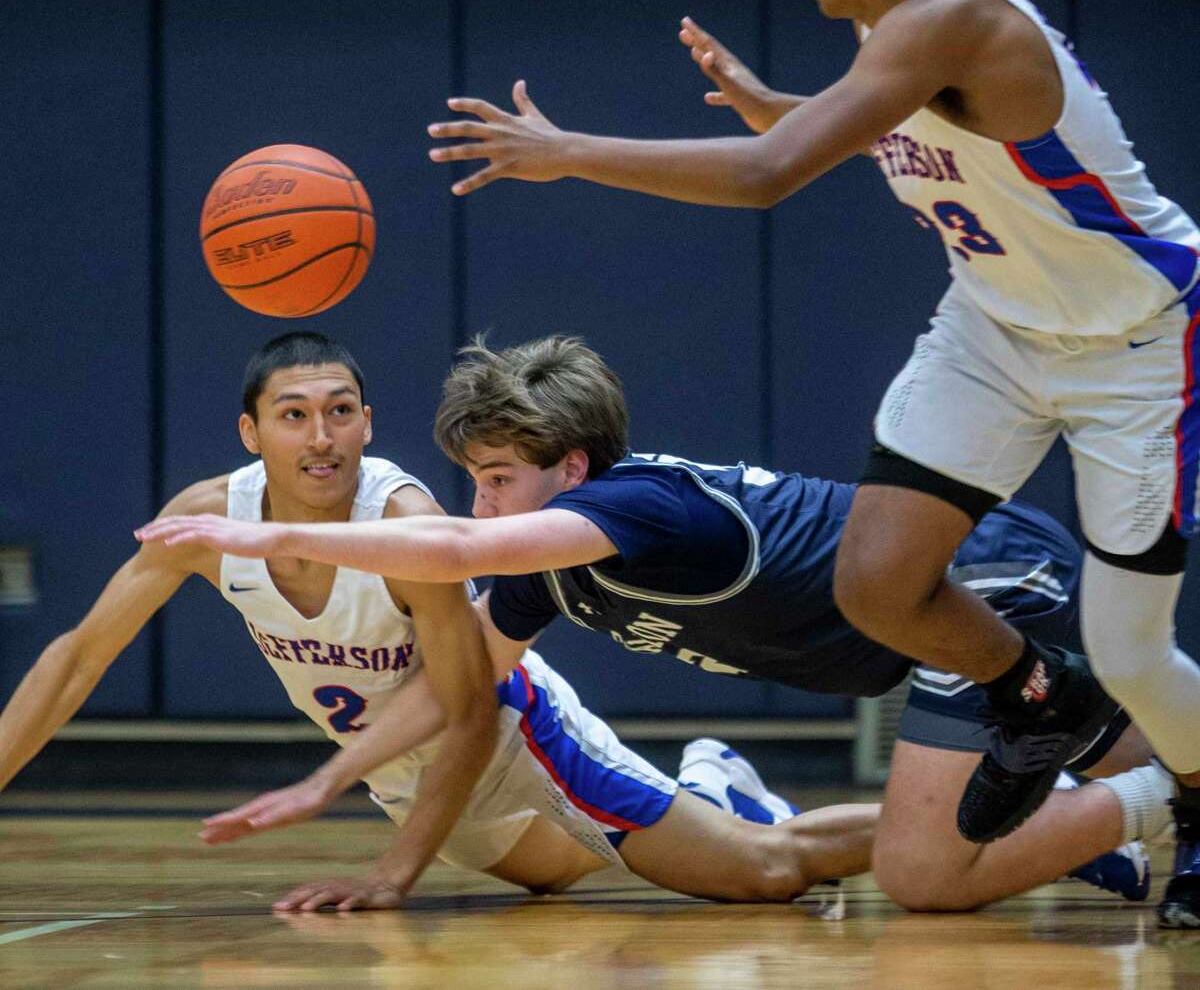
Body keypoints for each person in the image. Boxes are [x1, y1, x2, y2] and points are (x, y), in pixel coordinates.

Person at [419, 0, 1200, 928]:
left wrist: (567, 152)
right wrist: (779, 107)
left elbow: (769, 176)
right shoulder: (900, 36)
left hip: (1136, 338)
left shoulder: (956, 16)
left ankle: (1178, 791)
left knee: (1133, 648)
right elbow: (883, 134)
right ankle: (1039, 701)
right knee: (875, 583)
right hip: (996, 327)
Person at [140, 333, 1173, 912]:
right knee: (1109, 757)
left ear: (571, 468)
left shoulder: (642, 506)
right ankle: (1135, 807)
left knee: (923, 874)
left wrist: (253, 533)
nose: (482, 502)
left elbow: (449, 550)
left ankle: (1140, 804)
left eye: (496, 479)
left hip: (978, 581)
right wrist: (323, 784)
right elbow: (454, 690)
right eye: (476, 480)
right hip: (929, 622)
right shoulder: (550, 569)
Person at [0, 330, 877, 910]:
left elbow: (467, 707)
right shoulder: (207, 516)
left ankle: (884, 828)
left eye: (340, 413)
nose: (321, 437)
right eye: (294, 416)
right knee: (561, 874)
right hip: (398, 769)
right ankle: (710, 793)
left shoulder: (404, 520)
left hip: (510, 732)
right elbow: (77, 659)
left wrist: (391, 875)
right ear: (250, 432)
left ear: (367, 424)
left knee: (752, 874)